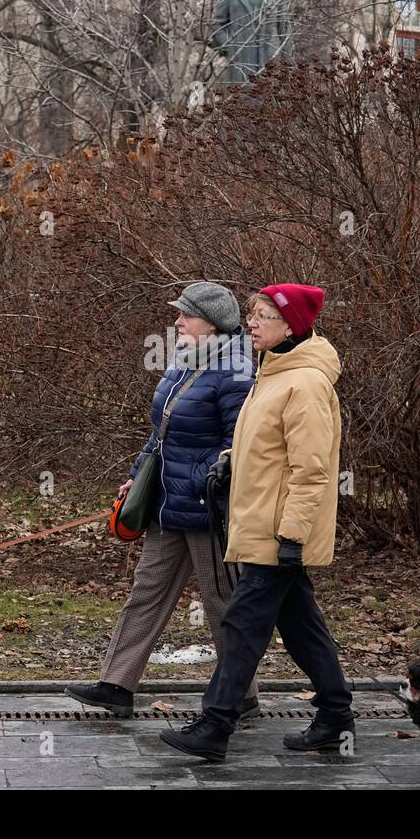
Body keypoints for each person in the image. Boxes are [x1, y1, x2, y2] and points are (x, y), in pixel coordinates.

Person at [160, 283, 353, 761]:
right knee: (302, 626)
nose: (251, 323)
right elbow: (264, 447)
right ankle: (335, 714)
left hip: (278, 532)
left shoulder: (304, 384)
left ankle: (216, 723)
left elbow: (311, 472)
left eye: (263, 316)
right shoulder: (274, 372)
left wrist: (292, 536)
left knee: (242, 623)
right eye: (252, 315)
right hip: (263, 525)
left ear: (291, 325)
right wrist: (229, 460)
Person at [65, 282, 259, 717]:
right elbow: (162, 433)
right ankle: (116, 684)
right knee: (146, 592)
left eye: (185, 315)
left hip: (209, 511)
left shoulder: (237, 372)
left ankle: (241, 696)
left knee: (221, 602)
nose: (176, 321)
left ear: (212, 323)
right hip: (166, 505)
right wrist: (137, 481)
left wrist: (205, 485)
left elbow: (240, 446)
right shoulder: (184, 363)